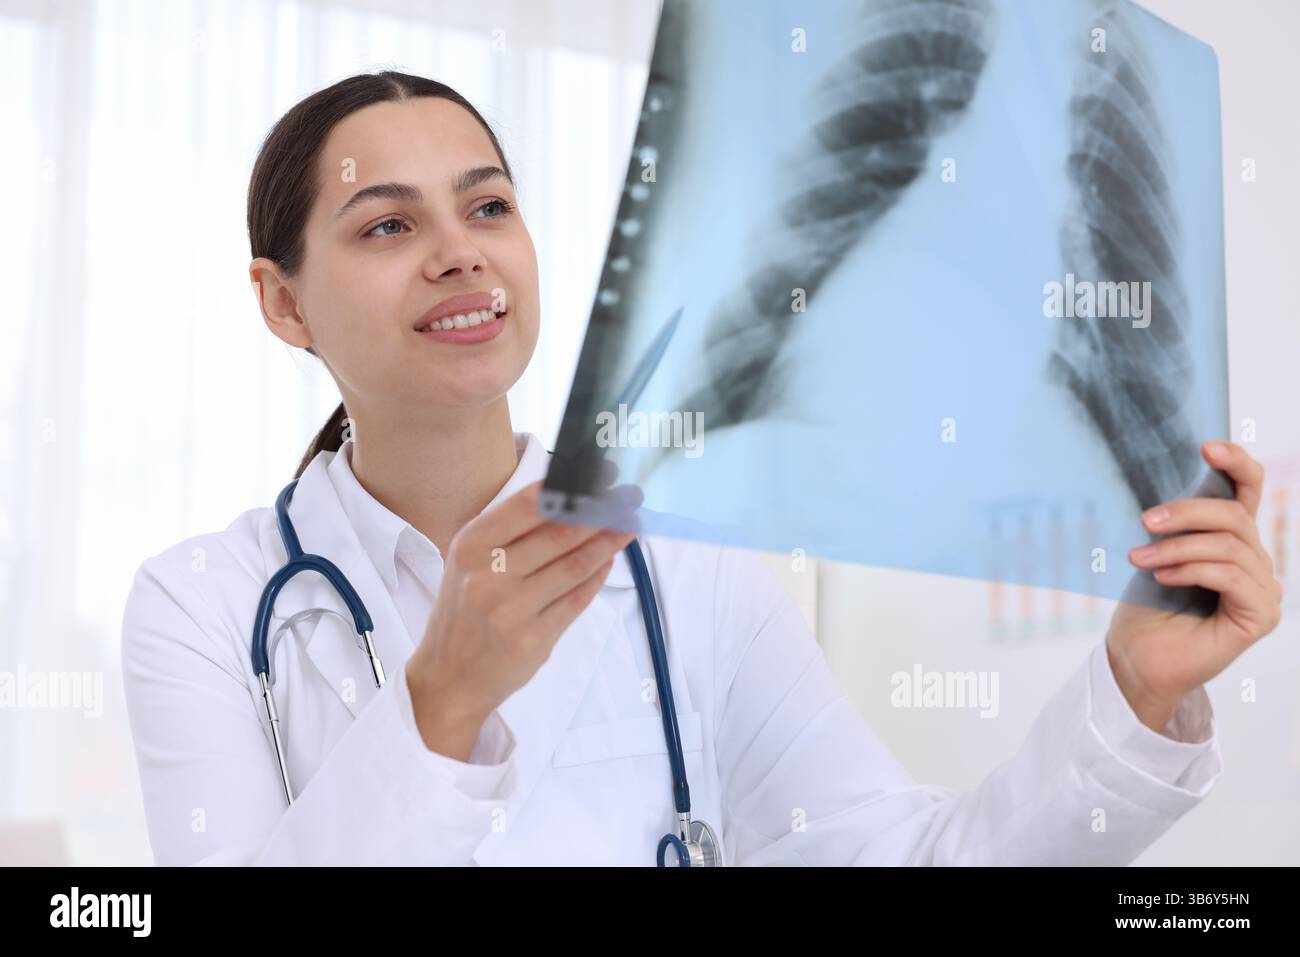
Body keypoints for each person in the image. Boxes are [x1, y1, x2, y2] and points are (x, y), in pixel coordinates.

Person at [121, 70, 1282, 866]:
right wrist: (443, 703)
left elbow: (911, 858)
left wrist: (1138, 694)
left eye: (488, 205)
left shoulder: (687, 569)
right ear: (281, 303)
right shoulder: (203, 608)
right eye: (386, 225)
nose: (458, 253)